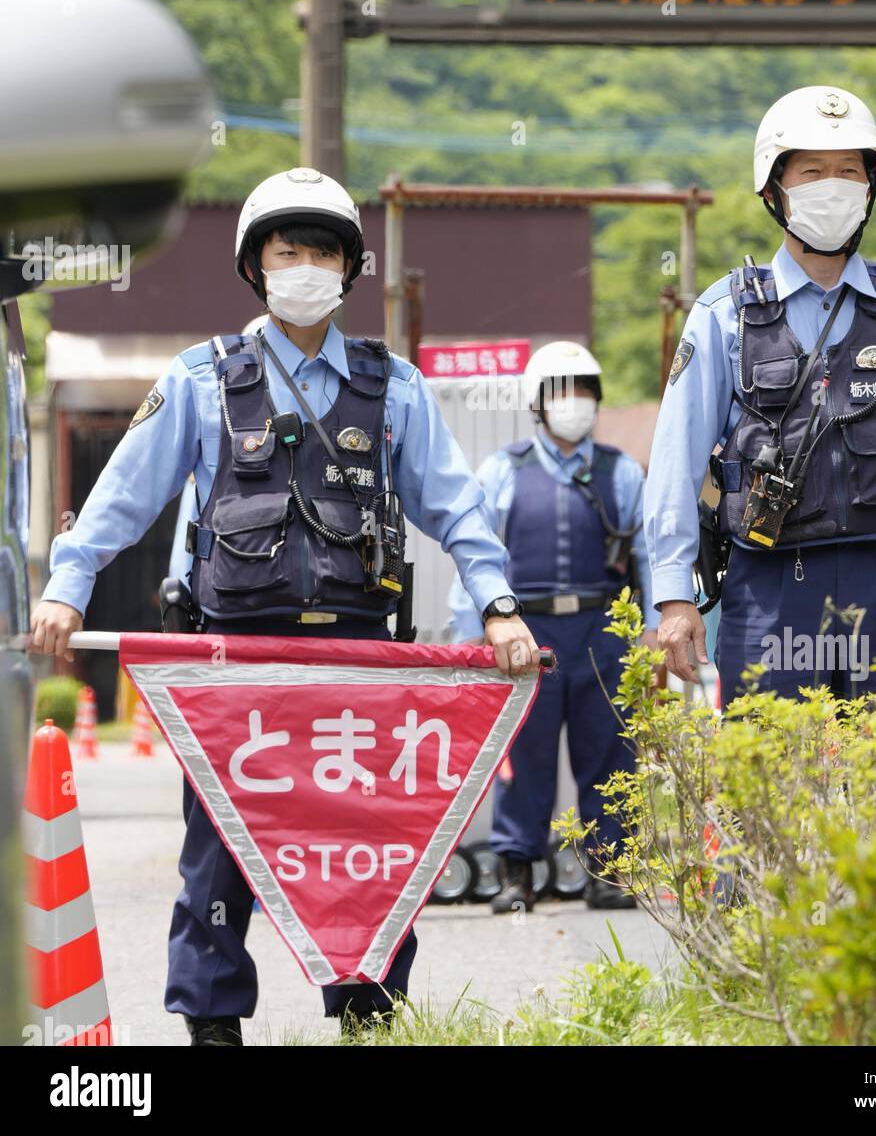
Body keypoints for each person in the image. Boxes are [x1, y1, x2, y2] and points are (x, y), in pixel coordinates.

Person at [29, 167, 542, 1045]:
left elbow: (457, 507)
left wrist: (496, 604)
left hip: (359, 662)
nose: (305, 265)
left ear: (349, 270)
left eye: (323, 252)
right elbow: (121, 499)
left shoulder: (397, 389)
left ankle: (370, 1020)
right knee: (220, 858)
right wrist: (68, 588)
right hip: (234, 662)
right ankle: (214, 1027)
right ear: (255, 265)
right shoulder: (200, 379)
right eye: (287, 250)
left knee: (368, 852)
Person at [645, 86, 876, 706]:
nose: (833, 185)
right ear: (773, 189)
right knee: (767, 788)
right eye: (812, 171)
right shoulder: (723, 315)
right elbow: (674, 464)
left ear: (871, 186)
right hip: (770, 589)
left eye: (849, 171)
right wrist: (674, 597)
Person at [448, 341, 657, 912]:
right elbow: (476, 557)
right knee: (524, 755)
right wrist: (468, 637)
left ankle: (611, 873)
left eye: (585, 389)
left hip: (603, 632)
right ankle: (516, 875)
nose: (575, 402)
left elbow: (650, 551)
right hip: (526, 634)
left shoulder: (621, 473)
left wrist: (654, 632)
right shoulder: (502, 470)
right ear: (538, 403)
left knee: (611, 753)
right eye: (562, 391)